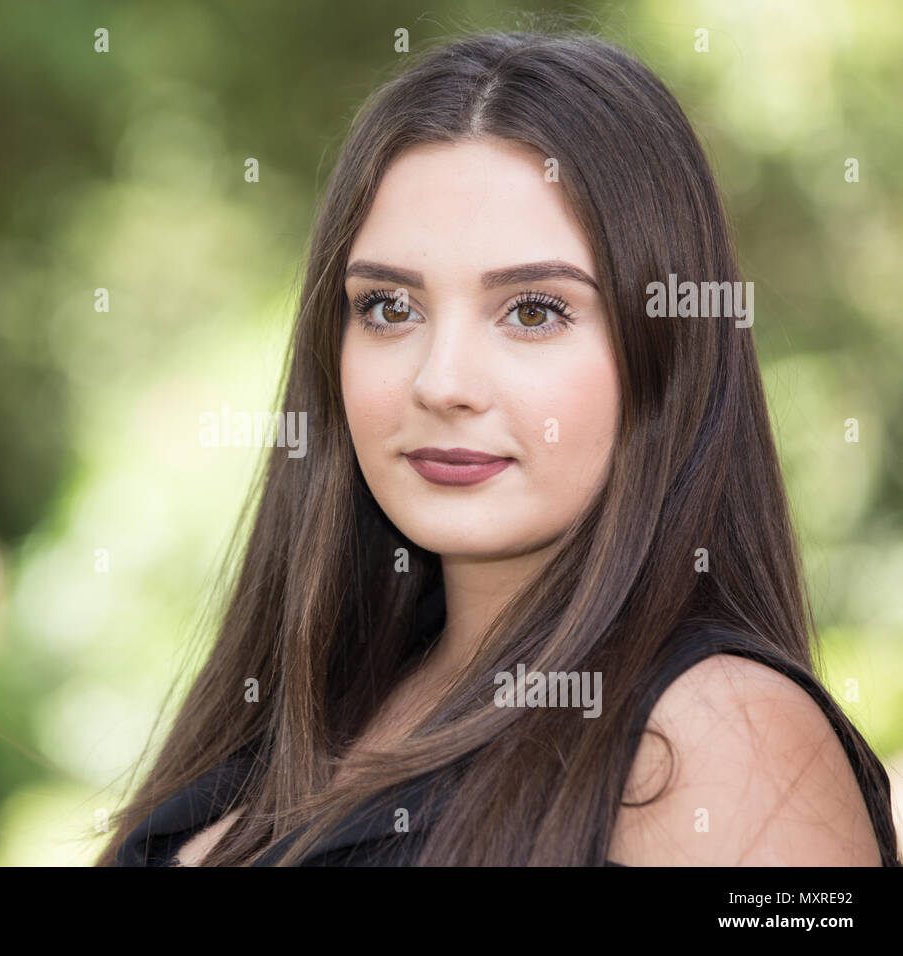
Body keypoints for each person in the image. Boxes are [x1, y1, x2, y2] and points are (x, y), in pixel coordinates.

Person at [98, 30, 901, 867]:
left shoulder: (716, 736)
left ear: (668, 350)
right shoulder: (288, 722)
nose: (442, 383)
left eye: (533, 312)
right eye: (388, 308)